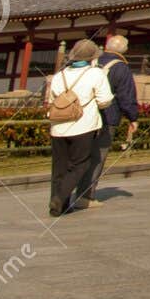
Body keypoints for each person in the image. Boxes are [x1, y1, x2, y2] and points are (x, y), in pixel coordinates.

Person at [45, 39, 114, 216]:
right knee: (79, 164)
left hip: (58, 126)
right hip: (83, 125)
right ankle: (60, 197)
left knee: (59, 166)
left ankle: (58, 204)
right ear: (92, 58)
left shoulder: (60, 75)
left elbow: (52, 100)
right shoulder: (96, 74)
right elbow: (105, 100)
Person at [80, 33, 139, 207]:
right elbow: (125, 96)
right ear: (125, 50)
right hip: (107, 117)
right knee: (98, 156)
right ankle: (85, 196)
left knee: (80, 156)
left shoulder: (91, 62)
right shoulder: (121, 67)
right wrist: (133, 117)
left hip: (83, 116)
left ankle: (68, 193)